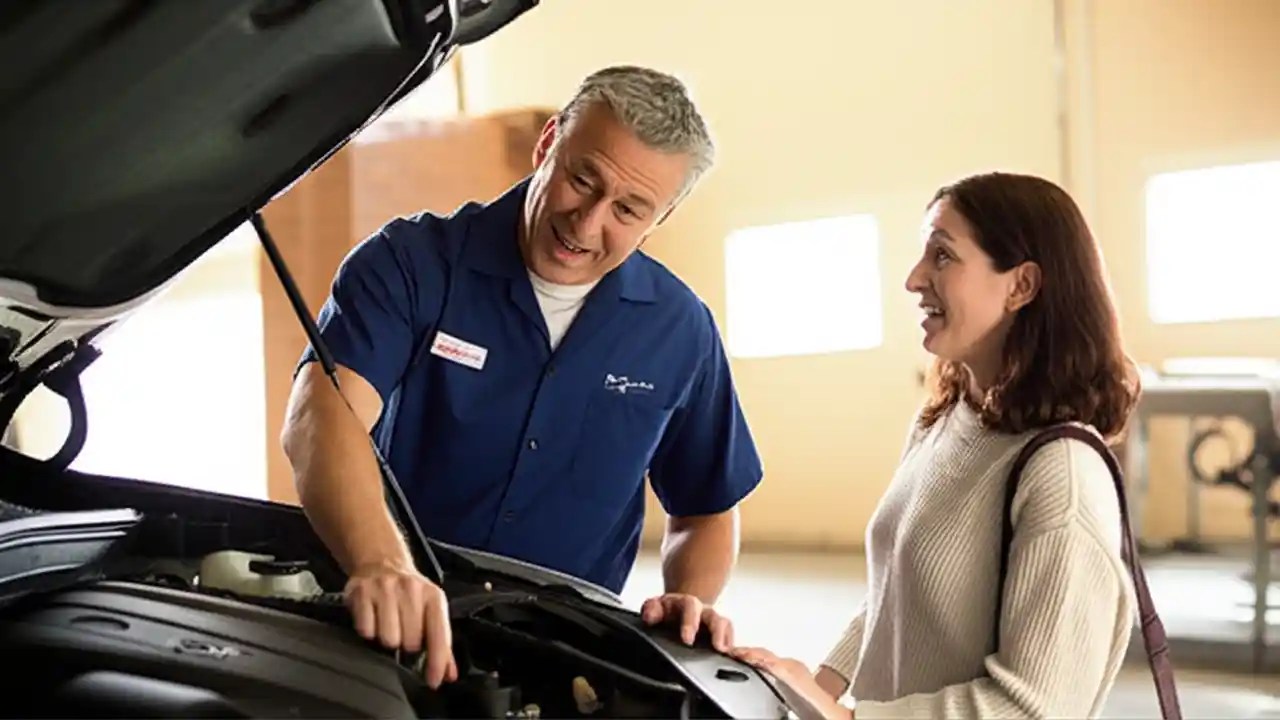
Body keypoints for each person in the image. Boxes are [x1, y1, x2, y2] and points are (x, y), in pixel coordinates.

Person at [281, 65, 763, 690]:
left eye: (628, 209)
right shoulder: (410, 263)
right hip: (394, 618)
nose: (587, 224)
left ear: (661, 217)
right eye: (582, 179)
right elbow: (323, 416)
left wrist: (689, 597)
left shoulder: (682, 330)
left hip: (564, 660)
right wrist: (381, 562)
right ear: (547, 145)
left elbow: (705, 510)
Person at [642, 172, 1142, 718]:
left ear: (1021, 286)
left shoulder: (1062, 474)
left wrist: (846, 719)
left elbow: (1034, 708)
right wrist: (813, 688)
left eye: (943, 256)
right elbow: (896, 596)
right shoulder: (947, 418)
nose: (914, 278)